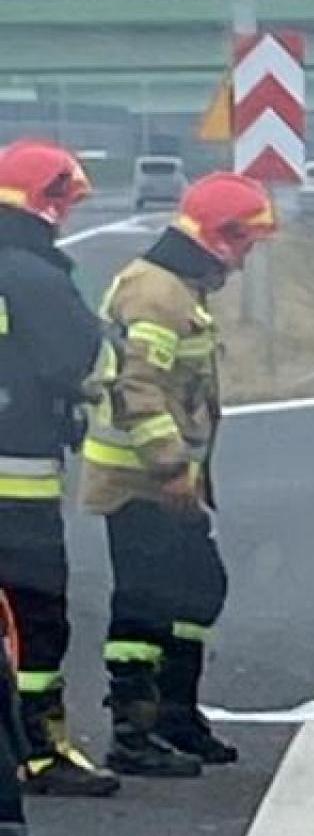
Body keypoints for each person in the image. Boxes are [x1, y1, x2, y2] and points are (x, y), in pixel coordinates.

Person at [84, 172, 277, 778]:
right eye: (245, 241)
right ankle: (133, 732)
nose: (248, 257)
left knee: (196, 588)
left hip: (166, 475)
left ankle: (175, 716)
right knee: (144, 602)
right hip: (139, 477)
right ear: (220, 235)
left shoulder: (178, 288)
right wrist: (169, 466)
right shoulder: (156, 293)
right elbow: (138, 387)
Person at [0, 140, 119, 797]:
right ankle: (39, 750)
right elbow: (84, 364)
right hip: (16, 483)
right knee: (37, 618)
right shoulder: (36, 277)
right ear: (47, 202)